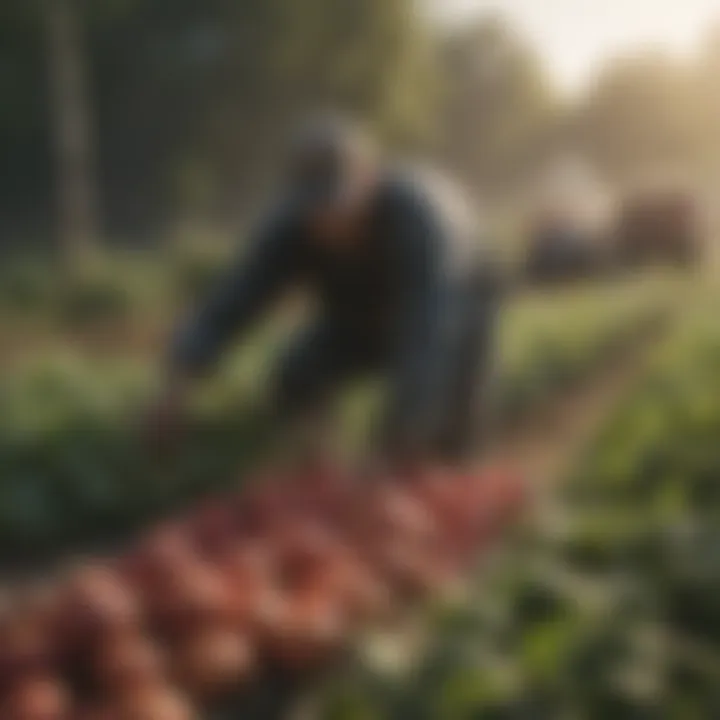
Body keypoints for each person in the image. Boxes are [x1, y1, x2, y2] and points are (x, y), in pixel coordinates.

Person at [148, 113, 502, 471]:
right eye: (316, 207)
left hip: (457, 305)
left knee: (445, 434)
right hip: (359, 311)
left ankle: (442, 483)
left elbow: (427, 335)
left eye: (340, 204)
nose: (329, 221)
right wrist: (178, 383)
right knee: (298, 374)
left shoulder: (419, 219)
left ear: (369, 180)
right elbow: (234, 299)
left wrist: (398, 439)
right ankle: (318, 463)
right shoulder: (289, 227)